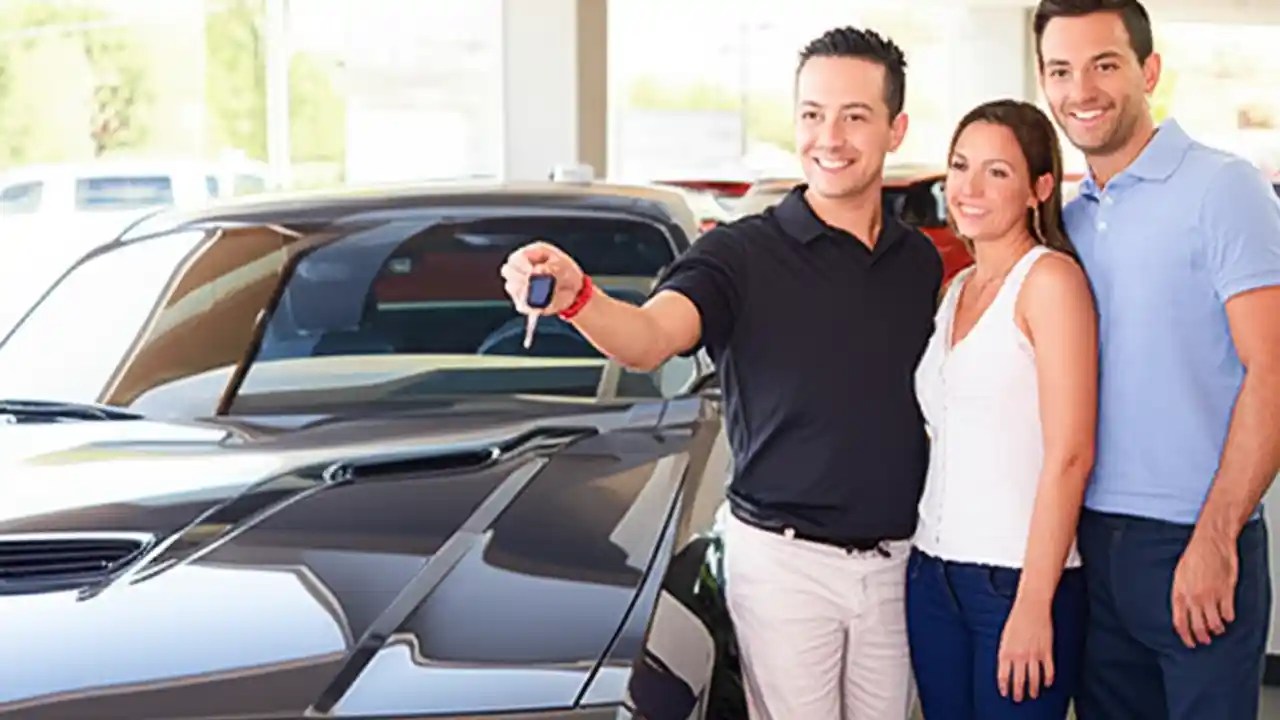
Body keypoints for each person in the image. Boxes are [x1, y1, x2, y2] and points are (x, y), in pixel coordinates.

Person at [500, 27, 942, 720]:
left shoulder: (920, 264)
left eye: (855, 116)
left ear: (896, 128)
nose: (829, 136)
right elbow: (648, 338)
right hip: (787, 568)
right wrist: (579, 298)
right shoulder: (742, 255)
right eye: (812, 114)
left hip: (897, 563)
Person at [1033, 1, 1280, 718]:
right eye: (1061, 70)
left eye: (1104, 65)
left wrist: (1216, 536)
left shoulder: (1224, 189)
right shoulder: (1071, 219)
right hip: (1089, 545)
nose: (1082, 90)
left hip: (1193, 536)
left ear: (1149, 71)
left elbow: (1272, 370)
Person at [906, 99, 1096, 720]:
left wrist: (1034, 604)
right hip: (933, 572)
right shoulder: (956, 288)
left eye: (997, 171)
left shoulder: (1050, 281)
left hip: (1015, 581)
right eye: (960, 166)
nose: (970, 187)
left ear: (1040, 188)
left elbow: (1071, 454)